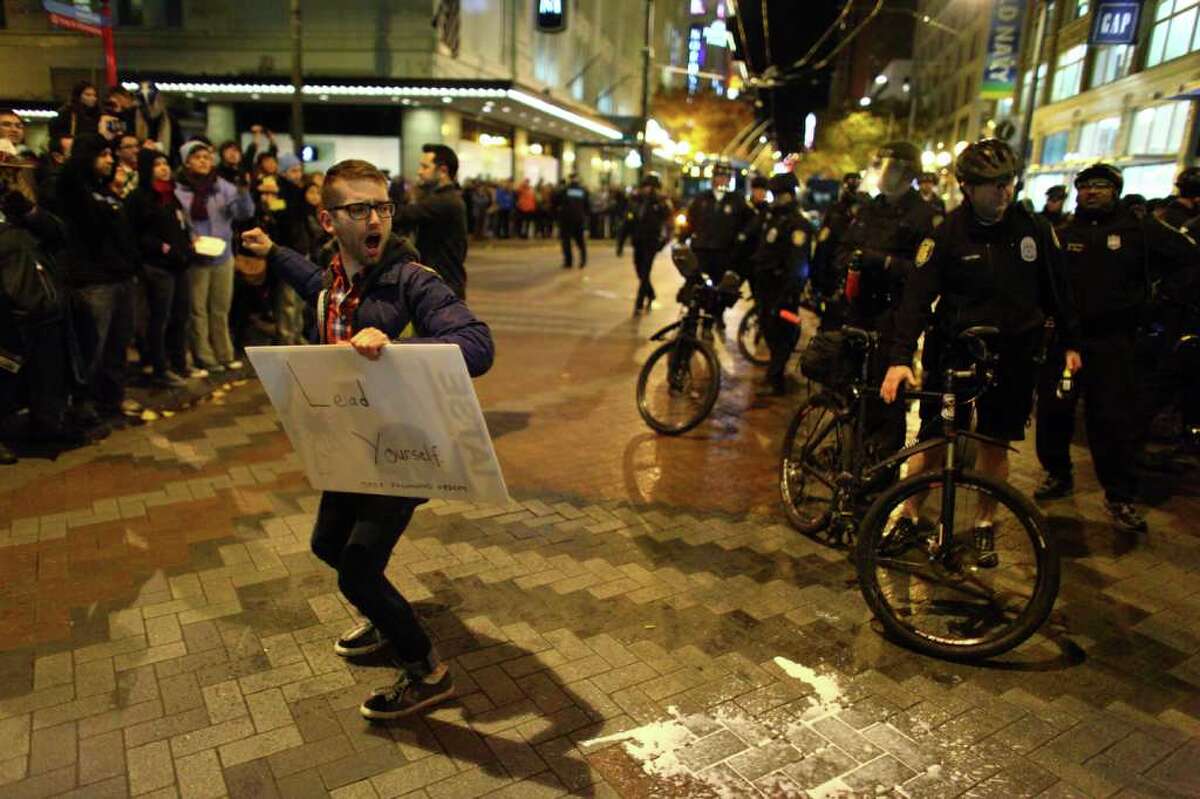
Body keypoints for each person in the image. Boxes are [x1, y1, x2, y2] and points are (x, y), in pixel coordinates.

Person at [239, 158, 494, 720]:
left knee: (356, 569)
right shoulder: (334, 282)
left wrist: (396, 349)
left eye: (382, 207)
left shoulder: (412, 280)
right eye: (359, 209)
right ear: (329, 221)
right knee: (327, 545)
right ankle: (384, 619)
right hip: (350, 447)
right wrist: (272, 251)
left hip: (402, 451)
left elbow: (477, 344)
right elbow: (313, 284)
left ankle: (427, 670)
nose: (375, 219)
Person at [880, 138, 1082, 567]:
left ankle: (985, 523)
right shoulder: (946, 234)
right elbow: (916, 300)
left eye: (1009, 182)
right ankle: (910, 515)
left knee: (995, 442)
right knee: (935, 439)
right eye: (993, 185)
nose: (1004, 192)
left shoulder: (1034, 229)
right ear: (968, 188)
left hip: (1013, 355)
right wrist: (900, 358)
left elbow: (1060, 292)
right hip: (953, 354)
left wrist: (1070, 343)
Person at [1033, 163, 1198, 532]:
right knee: (1054, 410)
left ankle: (1119, 495)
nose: (1092, 192)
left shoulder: (1139, 229)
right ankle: (1057, 473)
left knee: (1111, 420)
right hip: (1067, 344)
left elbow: (1189, 259)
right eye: (1085, 186)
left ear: (1116, 191)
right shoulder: (1063, 233)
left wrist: (1161, 304)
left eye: (1101, 186)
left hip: (1114, 343)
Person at [838, 142, 940, 456]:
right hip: (859, 311)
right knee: (852, 395)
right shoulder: (870, 208)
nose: (883, 174)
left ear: (907, 173)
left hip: (893, 317)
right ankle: (851, 461)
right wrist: (851, 262)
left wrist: (884, 263)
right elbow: (844, 250)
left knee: (887, 401)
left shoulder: (923, 216)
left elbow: (924, 274)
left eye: (890, 167)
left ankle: (880, 472)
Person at [55, 132, 141, 426]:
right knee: (92, 347)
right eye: (102, 155)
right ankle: (82, 405)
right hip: (94, 281)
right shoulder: (74, 190)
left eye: (110, 155)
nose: (109, 161)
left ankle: (112, 399)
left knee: (118, 345)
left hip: (121, 278)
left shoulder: (107, 191)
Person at [175, 139, 255, 373]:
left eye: (207, 157)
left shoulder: (222, 186)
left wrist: (243, 192)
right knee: (198, 310)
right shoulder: (178, 190)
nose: (203, 161)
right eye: (197, 157)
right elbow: (179, 222)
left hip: (222, 255)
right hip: (196, 258)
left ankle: (224, 354)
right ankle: (205, 357)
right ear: (186, 161)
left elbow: (244, 213)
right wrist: (190, 239)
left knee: (220, 309)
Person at [125, 147, 194, 386]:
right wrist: (163, 248)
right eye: (157, 164)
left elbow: (179, 226)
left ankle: (179, 363)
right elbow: (138, 234)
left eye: (165, 163)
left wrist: (187, 245)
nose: (164, 168)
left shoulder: (170, 195)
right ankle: (159, 367)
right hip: (157, 268)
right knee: (159, 320)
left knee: (180, 316)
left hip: (179, 265)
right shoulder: (139, 198)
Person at [749, 172, 811, 396]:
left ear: (788, 195)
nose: (775, 199)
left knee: (784, 332)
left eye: (778, 195)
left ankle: (776, 377)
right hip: (766, 286)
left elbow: (798, 264)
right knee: (769, 328)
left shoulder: (797, 223)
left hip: (782, 289)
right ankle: (775, 373)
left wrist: (789, 293)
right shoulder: (772, 218)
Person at [393, 144, 468, 298]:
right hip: (442, 284)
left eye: (425, 167)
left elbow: (401, 216)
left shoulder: (444, 201)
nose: (419, 172)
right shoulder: (444, 198)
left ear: (443, 171)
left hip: (442, 287)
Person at [685, 162, 751, 282]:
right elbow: (691, 220)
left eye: (725, 177)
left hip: (725, 252)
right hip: (702, 250)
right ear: (713, 178)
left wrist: (741, 237)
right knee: (699, 285)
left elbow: (748, 221)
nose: (722, 180)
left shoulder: (737, 200)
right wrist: (684, 239)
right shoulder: (701, 198)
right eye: (719, 176)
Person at [622, 173, 672, 315]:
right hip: (638, 241)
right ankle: (650, 293)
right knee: (638, 268)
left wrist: (664, 240)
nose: (648, 189)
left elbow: (668, 221)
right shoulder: (635, 200)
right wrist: (621, 241)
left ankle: (639, 302)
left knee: (645, 271)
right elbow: (628, 221)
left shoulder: (661, 202)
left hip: (652, 241)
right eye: (646, 186)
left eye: (651, 187)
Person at [556, 174, 590, 268]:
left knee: (566, 240)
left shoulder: (565, 190)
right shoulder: (583, 191)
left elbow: (557, 201)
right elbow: (587, 205)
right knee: (580, 241)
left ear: (570, 179)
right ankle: (583, 260)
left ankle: (568, 262)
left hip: (566, 219)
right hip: (579, 218)